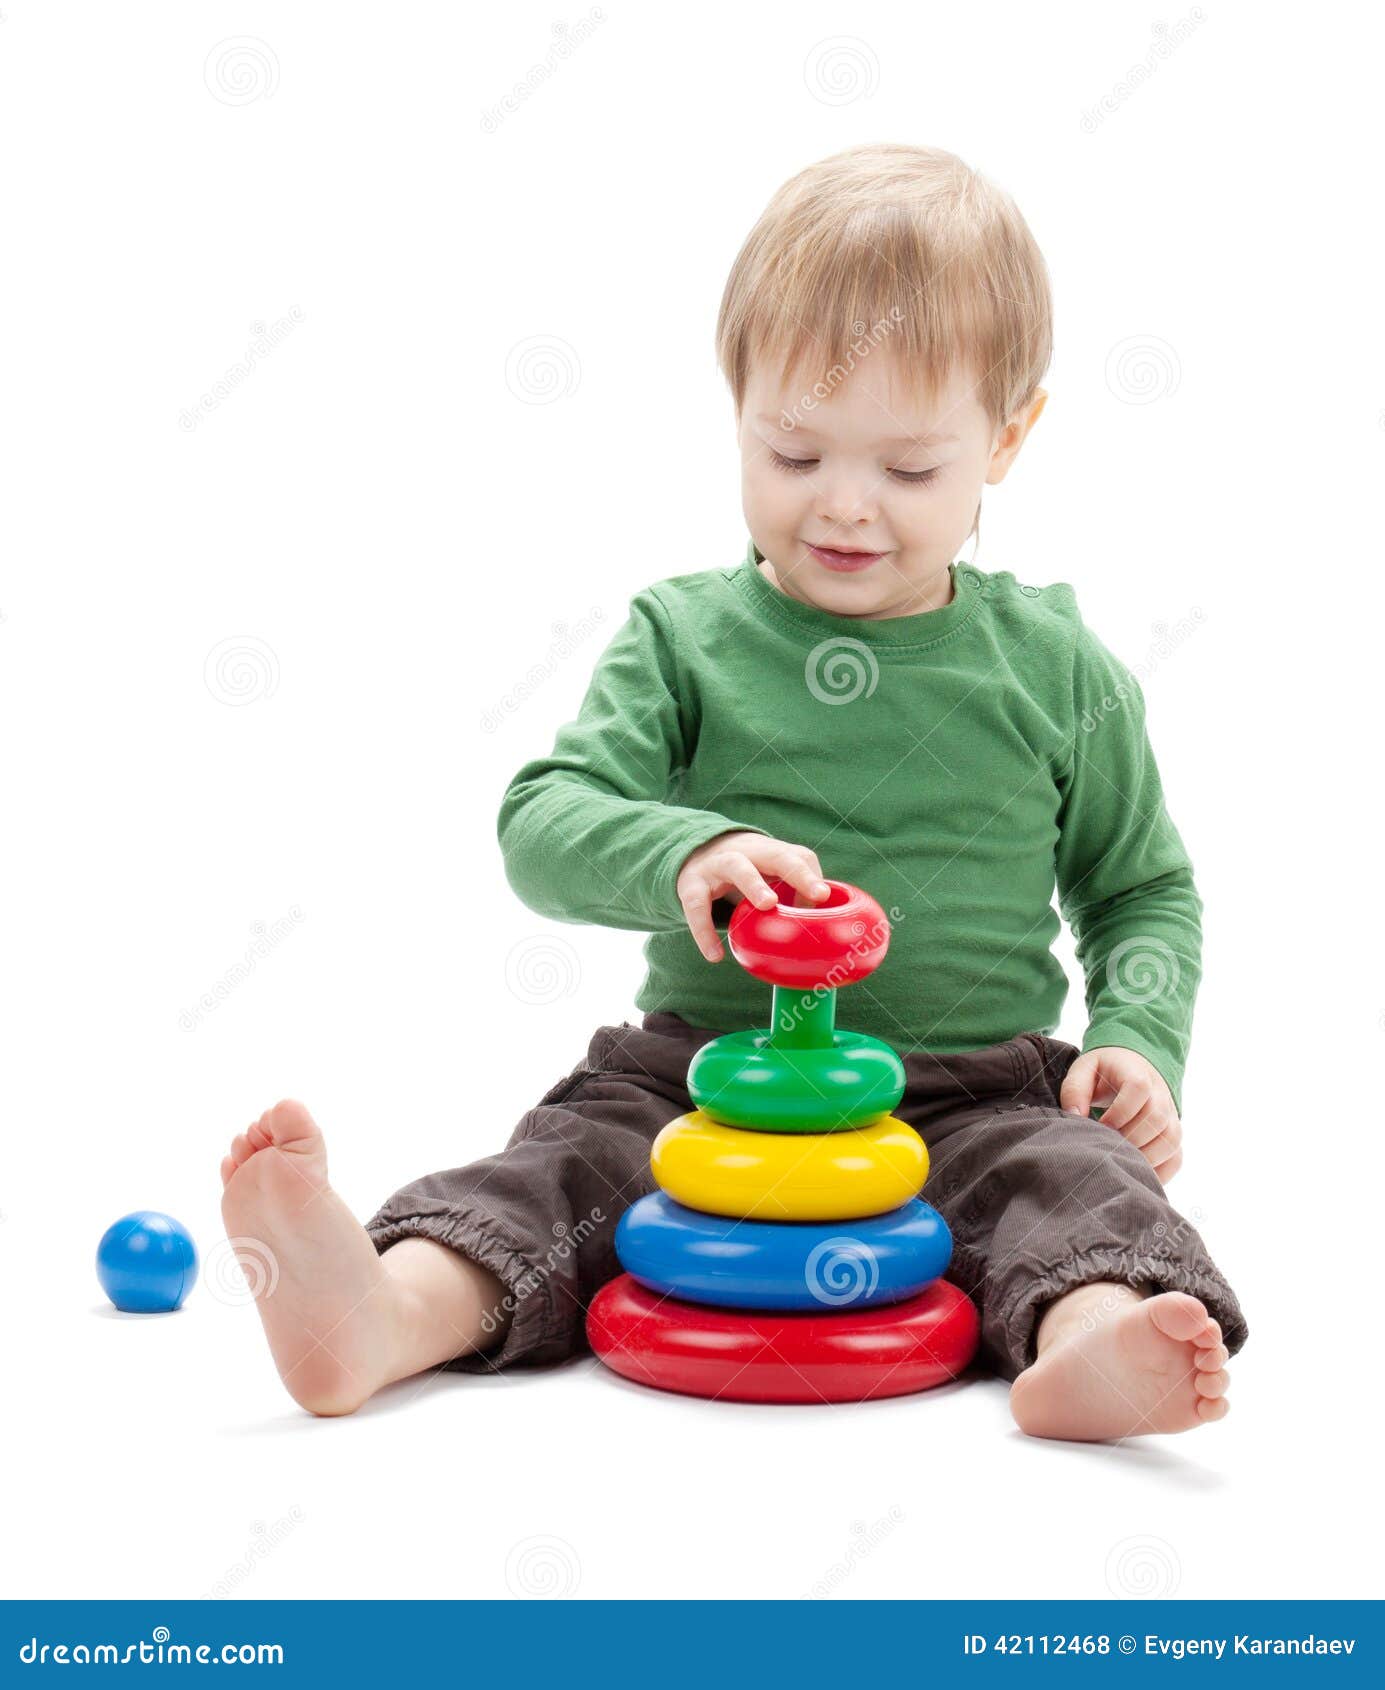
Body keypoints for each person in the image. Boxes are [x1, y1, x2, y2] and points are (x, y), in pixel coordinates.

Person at [219, 142, 1246, 1438]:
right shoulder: (683, 637)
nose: (846, 508)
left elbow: (1139, 886)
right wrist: (682, 849)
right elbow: (543, 821)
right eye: (794, 452)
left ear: (1008, 436)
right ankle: (379, 1310)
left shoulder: (1057, 668)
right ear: (737, 407)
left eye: (910, 469)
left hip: (974, 1092)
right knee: (558, 1178)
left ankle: (1094, 1345)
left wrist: (1137, 1044)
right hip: (692, 1081)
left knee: (1079, 1189)